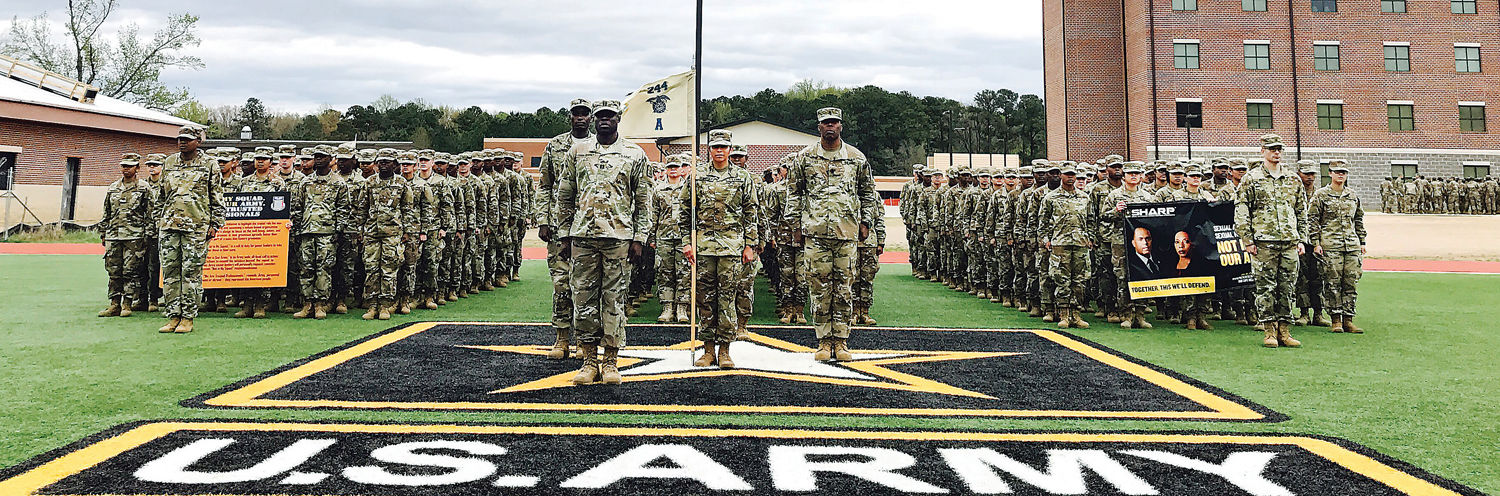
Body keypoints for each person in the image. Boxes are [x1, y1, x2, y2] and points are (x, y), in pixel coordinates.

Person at [555, 99, 654, 385]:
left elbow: (643, 201)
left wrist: (640, 238)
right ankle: (588, 361)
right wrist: (564, 234)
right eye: (600, 116)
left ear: (618, 119)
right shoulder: (578, 152)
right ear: (595, 120)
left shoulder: (634, 155)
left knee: (614, 300)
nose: (604, 120)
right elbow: (565, 196)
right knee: (583, 299)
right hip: (583, 237)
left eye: (610, 116)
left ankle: (610, 361)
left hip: (618, 238)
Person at [784, 107, 880, 362]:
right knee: (819, 288)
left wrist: (866, 222)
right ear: (818, 127)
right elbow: (793, 192)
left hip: (846, 234)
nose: (830, 126)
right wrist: (795, 225)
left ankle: (842, 340)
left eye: (834, 122)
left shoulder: (856, 158)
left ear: (841, 126)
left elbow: (868, 193)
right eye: (826, 122)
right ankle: (824, 341)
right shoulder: (805, 158)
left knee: (844, 289)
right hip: (815, 234)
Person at [681, 130, 760, 368]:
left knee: (727, 298)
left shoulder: (742, 177)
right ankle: (707, 350)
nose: (719, 151)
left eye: (723, 147)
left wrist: (750, 244)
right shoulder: (697, 176)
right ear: (709, 149)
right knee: (705, 299)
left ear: (729, 149)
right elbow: (685, 210)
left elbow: (751, 212)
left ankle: (725, 349)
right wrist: (687, 242)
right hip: (703, 247)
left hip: (731, 247)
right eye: (715, 146)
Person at [1235, 134, 1308, 348]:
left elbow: (1301, 211)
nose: (1276, 153)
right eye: (1272, 149)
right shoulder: (1252, 178)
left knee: (1287, 287)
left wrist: (1301, 239)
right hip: (1264, 242)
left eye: (1279, 149)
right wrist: (1247, 239)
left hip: (1289, 241)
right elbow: (1241, 210)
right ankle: (1269, 331)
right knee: (1265, 287)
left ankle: (1284, 331)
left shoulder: (1293, 178)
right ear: (1263, 151)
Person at [153, 126, 223, 333]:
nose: (182, 142)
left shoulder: (209, 164)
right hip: (169, 226)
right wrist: (159, 220)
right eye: (180, 139)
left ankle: (188, 317)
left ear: (198, 141)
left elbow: (216, 197)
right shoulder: (169, 162)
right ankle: (173, 315)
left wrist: (215, 224)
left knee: (191, 273)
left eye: (187, 139)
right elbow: (161, 195)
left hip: (196, 227)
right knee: (170, 273)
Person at [538, 98, 593, 359]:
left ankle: (584, 340)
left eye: (585, 114)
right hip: (559, 228)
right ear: (570, 117)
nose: (580, 118)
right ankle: (561, 338)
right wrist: (543, 220)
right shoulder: (555, 146)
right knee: (561, 284)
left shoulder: (598, 146)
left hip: (587, 227)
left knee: (584, 286)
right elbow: (544, 185)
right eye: (576, 114)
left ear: (590, 118)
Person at [1309, 159, 1367, 333]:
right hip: (1330, 245)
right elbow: (1312, 220)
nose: (1340, 174)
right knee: (1332, 283)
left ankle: (1348, 318)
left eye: (1343, 172)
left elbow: (1358, 219)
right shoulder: (1321, 195)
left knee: (1350, 282)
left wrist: (1362, 241)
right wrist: (1315, 243)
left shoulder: (1352, 195)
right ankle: (1336, 319)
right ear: (1330, 173)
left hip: (1351, 245)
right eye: (1337, 171)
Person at [356, 149, 414, 321]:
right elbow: (362, 207)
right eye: (380, 161)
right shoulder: (370, 182)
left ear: (395, 164)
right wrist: (360, 230)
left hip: (392, 233)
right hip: (372, 232)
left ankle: (385, 306)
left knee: (389, 269)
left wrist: (407, 232)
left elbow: (407, 209)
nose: (383, 165)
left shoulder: (402, 184)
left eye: (387, 162)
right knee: (371, 268)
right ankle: (372, 305)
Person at [289, 146, 345, 320]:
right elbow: (298, 207)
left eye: (322, 157)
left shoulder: (338, 182)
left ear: (331, 159)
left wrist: (338, 230)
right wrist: (297, 228)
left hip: (327, 233)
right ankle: (307, 304)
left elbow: (343, 209)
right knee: (305, 268)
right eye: (316, 157)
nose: (319, 160)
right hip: (306, 231)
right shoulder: (305, 182)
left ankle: (320, 304)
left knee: (324, 269)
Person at [1102, 162, 1158, 328]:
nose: (1133, 176)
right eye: (1130, 173)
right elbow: (1104, 216)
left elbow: (1157, 219)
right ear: (1124, 176)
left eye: (1137, 173)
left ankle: (1140, 315)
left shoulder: (1148, 197)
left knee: (1143, 275)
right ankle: (1126, 314)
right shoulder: (1114, 195)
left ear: (1141, 176)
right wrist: (1116, 211)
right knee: (1122, 278)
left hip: (1142, 243)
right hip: (1121, 241)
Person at [99, 153, 155, 318]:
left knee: (130, 271)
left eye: (129, 166)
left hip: (134, 236)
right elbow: (106, 213)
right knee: (113, 271)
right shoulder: (113, 188)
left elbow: (150, 214)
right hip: (113, 236)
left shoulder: (144, 188)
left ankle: (127, 304)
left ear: (137, 168)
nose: (126, 169)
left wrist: (148, 236)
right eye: (123, 166)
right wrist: (103, 232)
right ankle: (114, 304)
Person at [1039, 165, 1093, 328]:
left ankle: (1076, 314)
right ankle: (1063, 314)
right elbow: (1043, 221)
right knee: (1061, 280)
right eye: (1067, 174)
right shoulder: (1051, 197)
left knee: (1079, 281)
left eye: (1073, 175)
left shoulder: (1084, 197)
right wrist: (1045, 239)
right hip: (1060, 244)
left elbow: (1091, 219)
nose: (1070, 177)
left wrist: (1090, 238)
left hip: (1080, 243)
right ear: (1061, 175)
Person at [653, 154, 690, 323]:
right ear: (666, 170)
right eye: (670, 167)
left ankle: (682, 307)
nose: (673, 170)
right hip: (664, 236)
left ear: (681, 169)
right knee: (665, 272)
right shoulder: (658, 189)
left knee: (684, 273)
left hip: (684, 238)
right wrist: (651, 236)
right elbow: (653, 214)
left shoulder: (688, 188)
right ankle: (668, 307)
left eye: (676, 167)